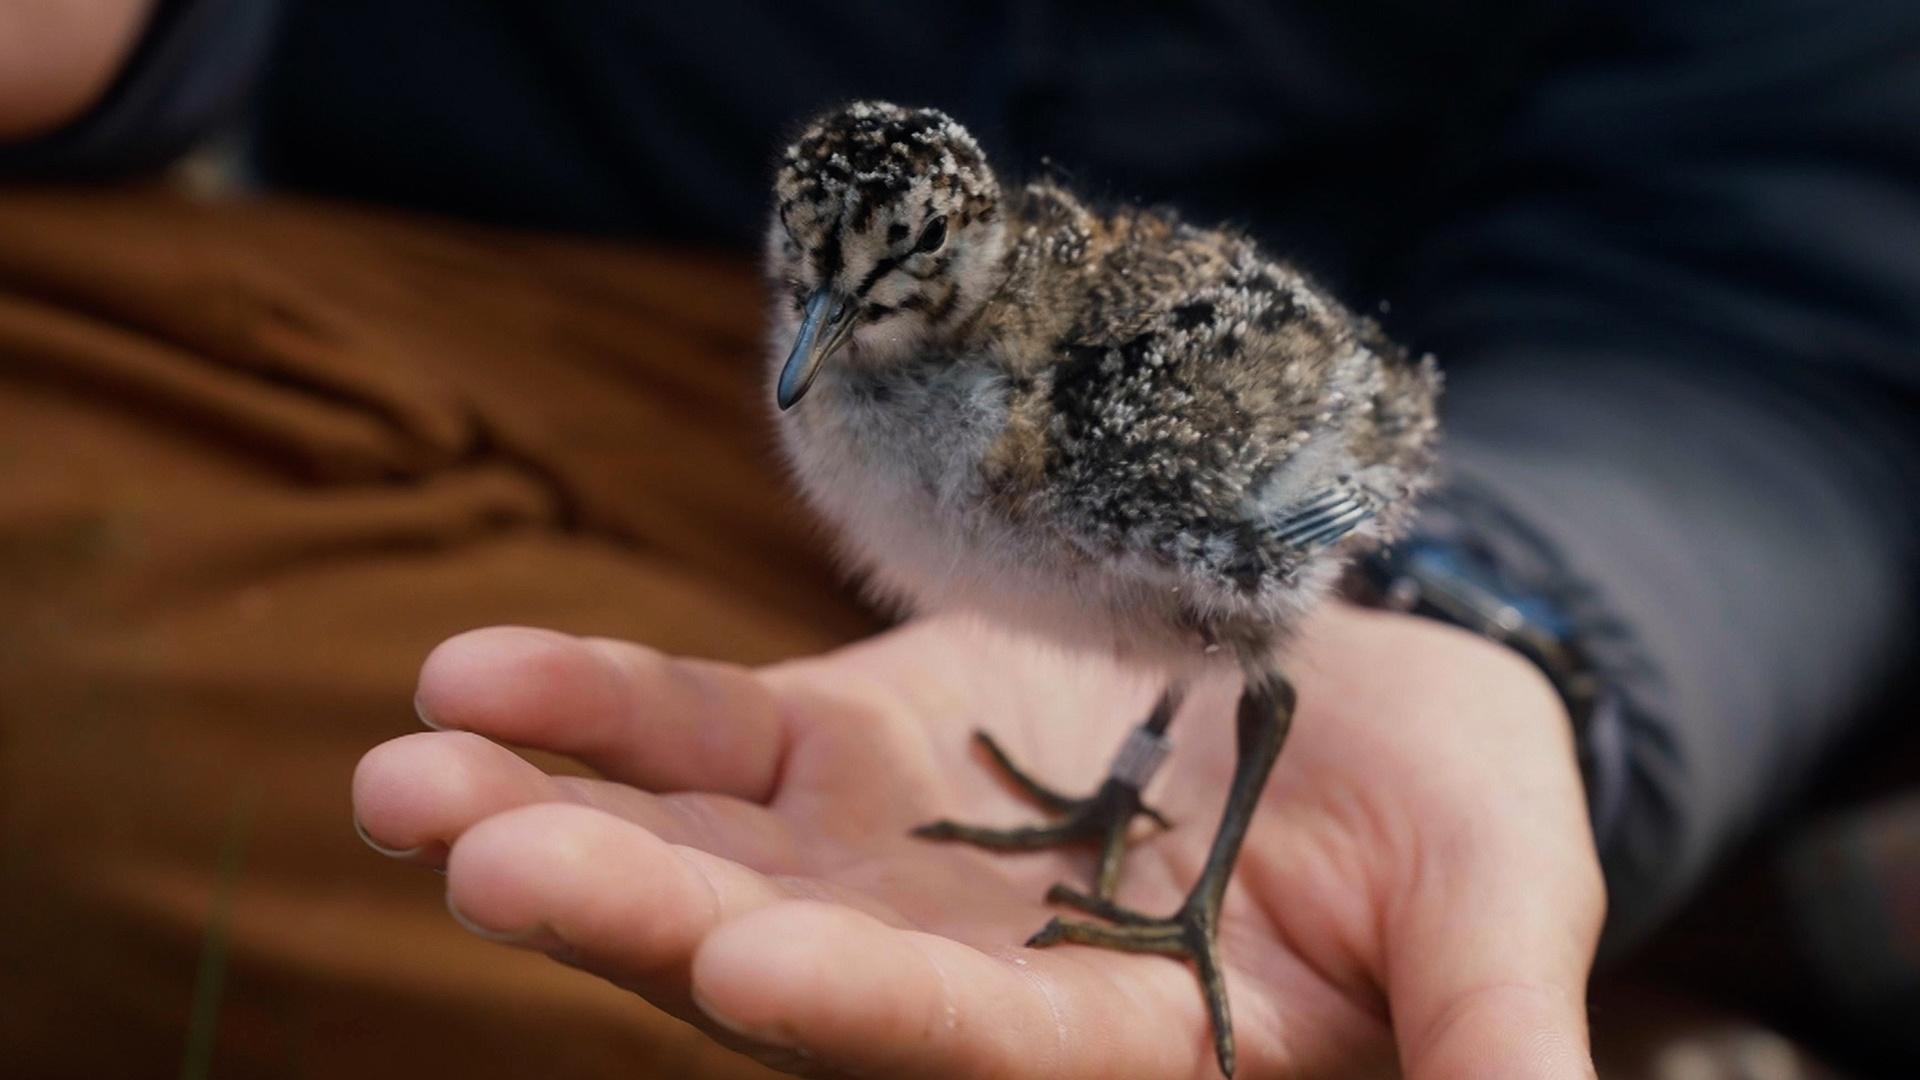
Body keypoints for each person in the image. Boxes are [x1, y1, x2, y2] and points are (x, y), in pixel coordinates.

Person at [2, 1, 1914, 1076]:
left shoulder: (1103, 391)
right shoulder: (845, 332)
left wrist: (1491, 621)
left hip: (1514, 452)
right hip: (485, 302)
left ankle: (1440, 926)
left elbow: (1778, 309)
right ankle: (1628, 990)